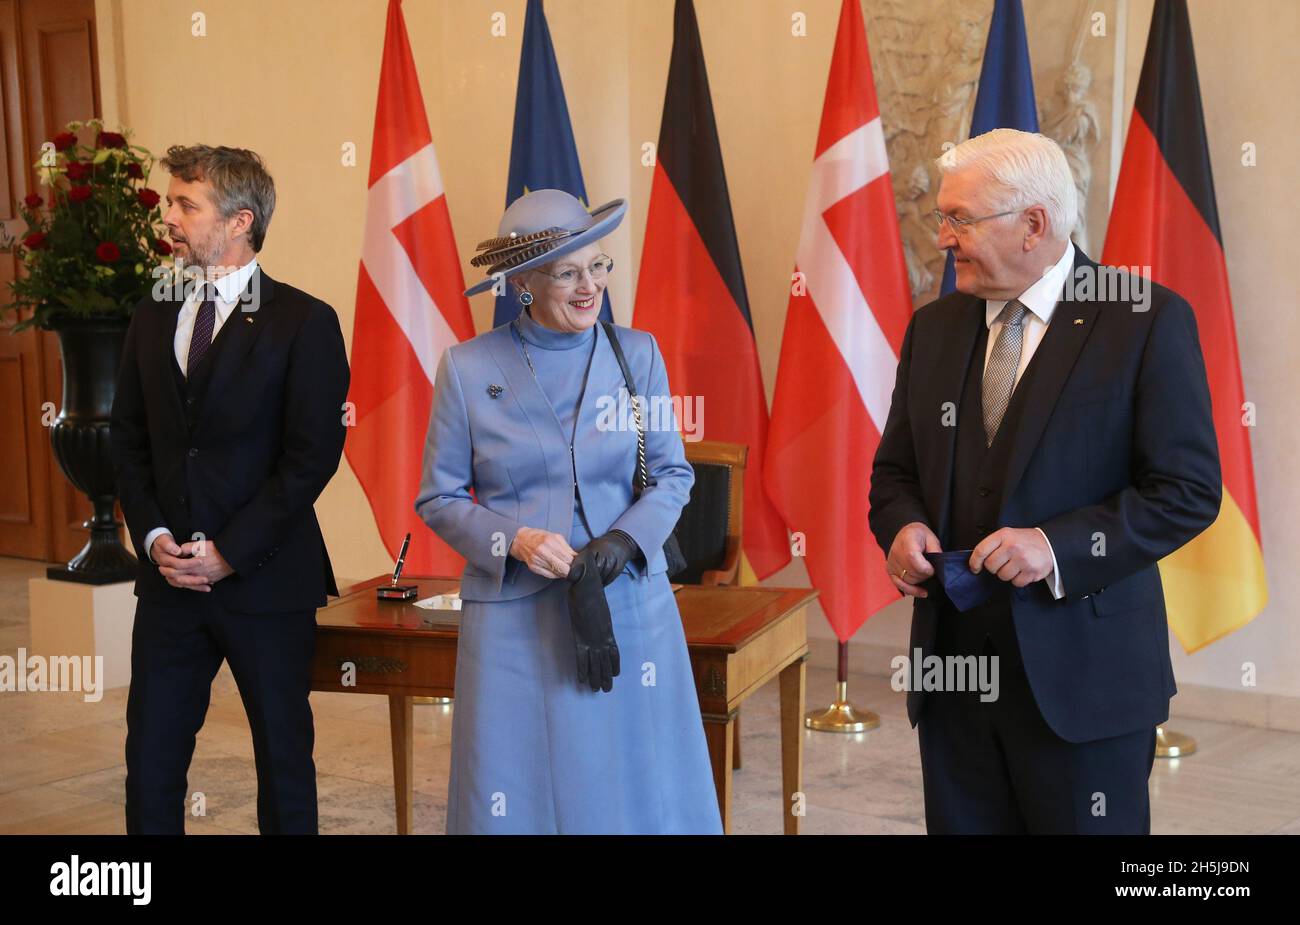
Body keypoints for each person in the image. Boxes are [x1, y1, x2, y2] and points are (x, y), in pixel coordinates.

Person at [868, 129, 1221, 834]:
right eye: (942, 217)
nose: (941, 237)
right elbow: (895, 470)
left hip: (1086, 685)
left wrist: (1054, 548)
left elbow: (1185, 490)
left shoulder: (1145, 321)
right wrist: (901, 527)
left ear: (1034, 224)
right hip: (954, 683)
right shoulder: (933, 329)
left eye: (959, 219)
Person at [415, 188, 722, 834]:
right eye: (567, 272)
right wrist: (514, 539)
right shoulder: (468, 369)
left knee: (636, 783)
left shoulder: (638, 355)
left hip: (631, 607)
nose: (591, 287)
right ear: (523, 284)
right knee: (517, 788)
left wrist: (623, 540)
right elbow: (438, 497)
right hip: (515, 622)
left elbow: (672, 473)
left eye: (599, 266)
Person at [110, 145, 350, 834]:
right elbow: (128, 438)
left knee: (283, 762)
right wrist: (154, 536)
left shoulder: (304, 321)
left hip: (265, 579)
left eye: (187, 203)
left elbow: (310, 458)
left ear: (240, 220)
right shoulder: (152, 312)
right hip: (167, 585)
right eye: (171, 199)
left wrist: (228, 551)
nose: (171, 214)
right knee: (151, 761)